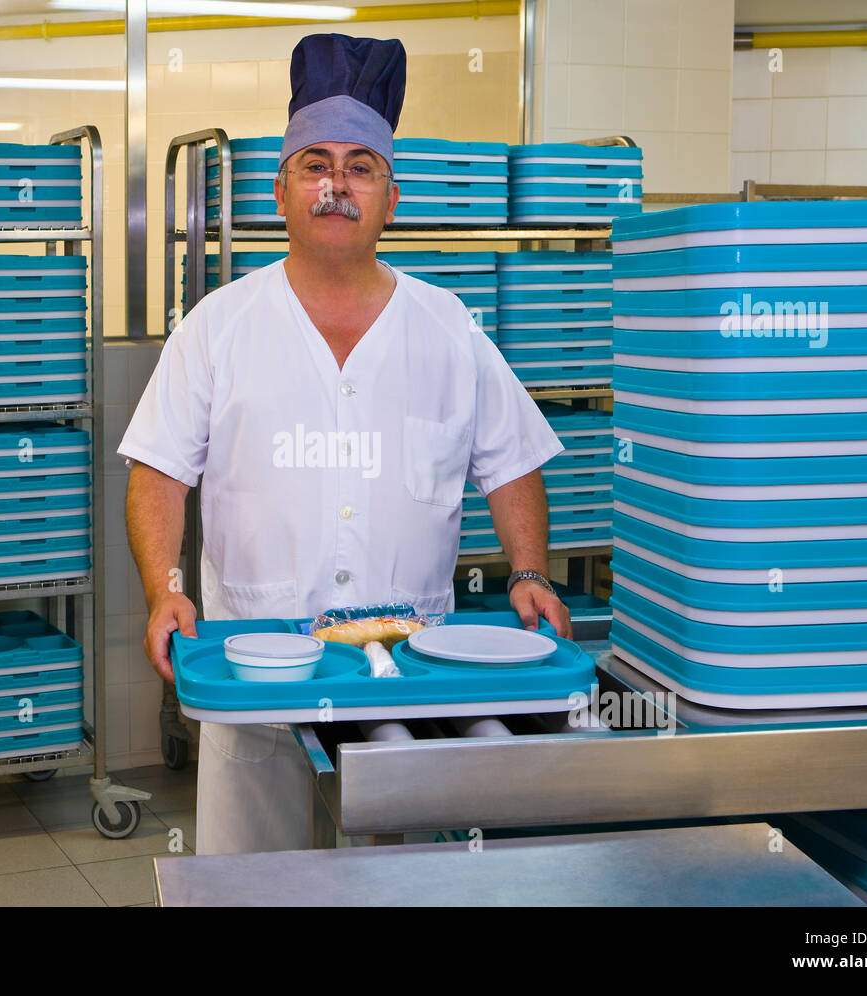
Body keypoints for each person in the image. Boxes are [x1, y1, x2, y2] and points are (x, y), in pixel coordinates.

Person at [118, 32, 571, 855]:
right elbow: (157, 471)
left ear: (390, 197)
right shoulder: (217, 328)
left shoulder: (448, 328)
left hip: (410, 676)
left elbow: (511, 463)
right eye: (315, 165)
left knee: (392, 878)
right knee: (254, 881)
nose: (337, 185)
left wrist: (531, 573)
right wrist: (165, 588)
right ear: (281, 191)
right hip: (254, 668)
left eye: (360, 166)